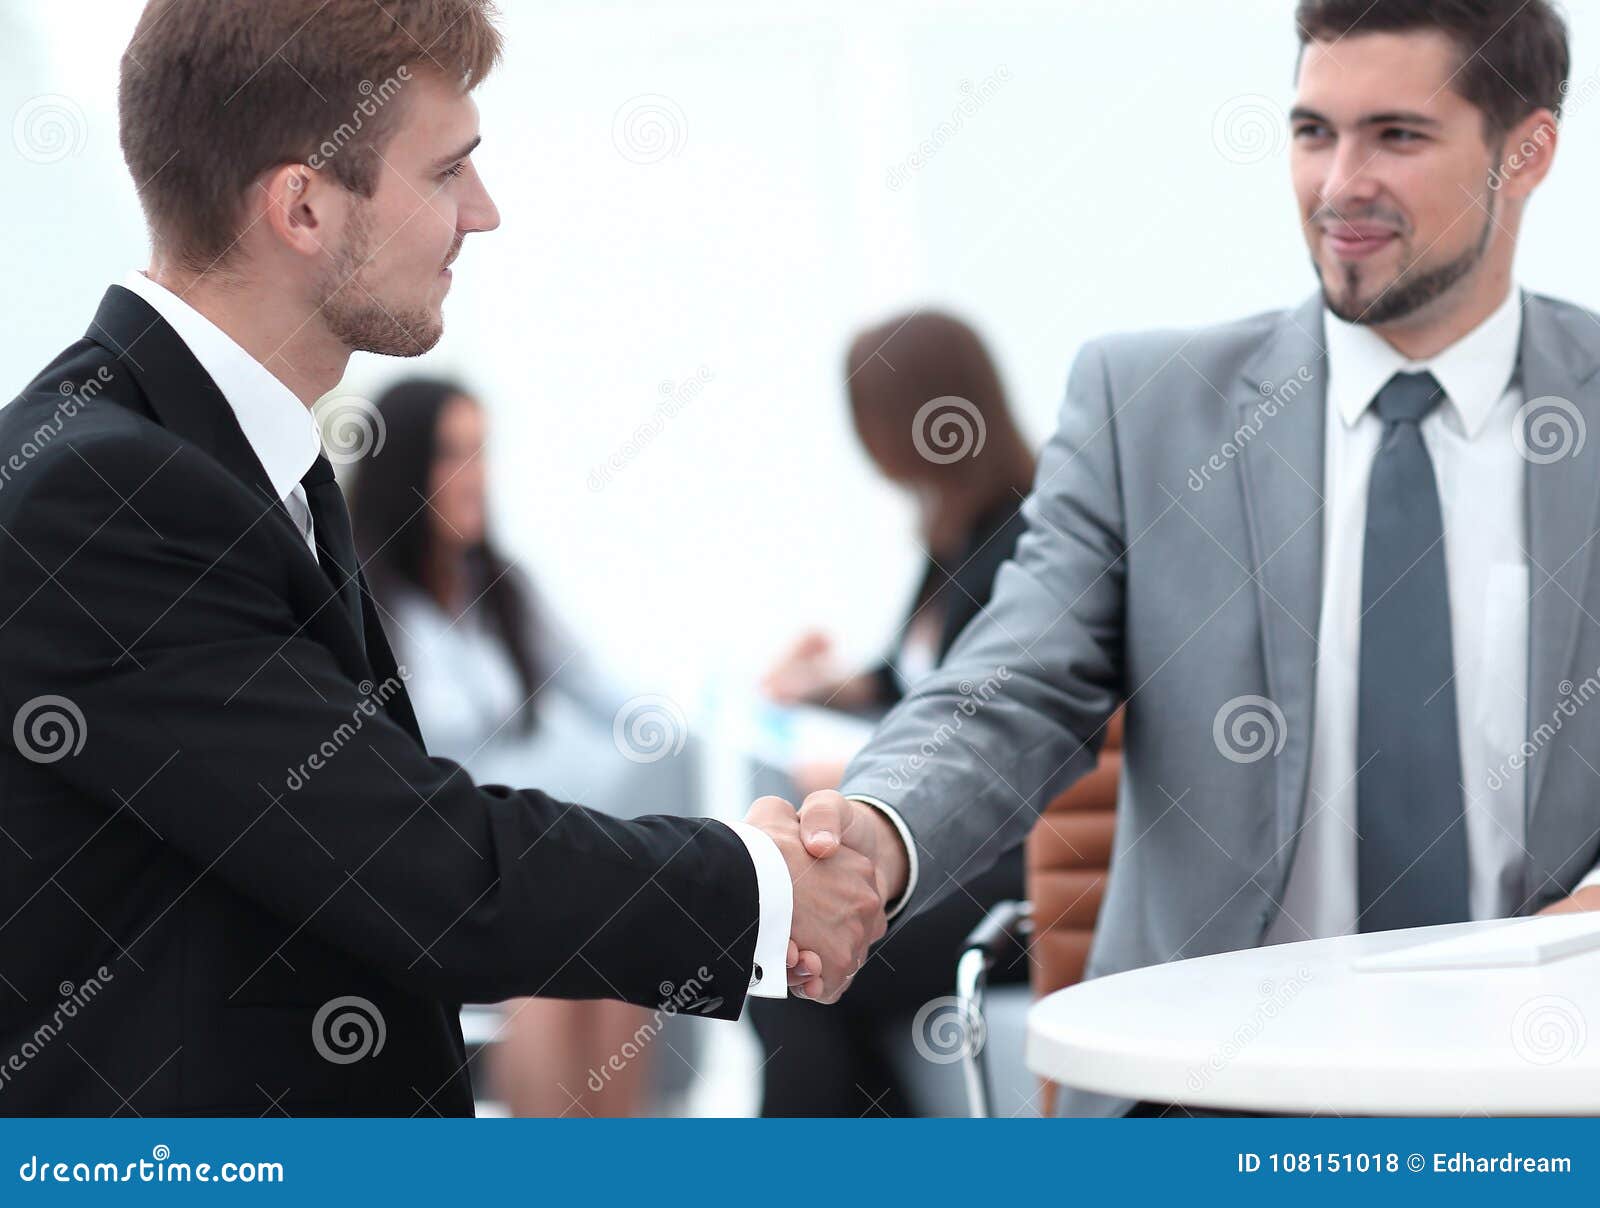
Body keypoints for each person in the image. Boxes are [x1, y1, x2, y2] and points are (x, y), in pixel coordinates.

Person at [0, 0, 879, 1117]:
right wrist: (761, 883)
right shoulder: (101, 494)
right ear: (304, 206)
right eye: (448, 171)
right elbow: (418, 868)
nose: (485, 213)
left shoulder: (230, 456)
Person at [785, 0, 1600, 1115]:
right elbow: (1010, 680)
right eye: (1313, 132)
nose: (1337, 185)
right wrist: (878, 826)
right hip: (1214, 1092)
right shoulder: (1151, 410)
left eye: (1395, 137)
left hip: (1550, 1082)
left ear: (1528, 149)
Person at [349, 376, 692, 1116]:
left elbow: (612, 695)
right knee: (550, 953)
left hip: (520, 855)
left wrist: (698, 722)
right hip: (433, 872)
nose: (474, 478)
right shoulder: (361, 604)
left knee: (621, 940)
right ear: (404, 467)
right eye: (451, 456)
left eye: (481, 453)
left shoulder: (503, 591)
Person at [753, 312, 1036, 1115]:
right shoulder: (956, 531)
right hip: (951, 843)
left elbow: (1002, 720)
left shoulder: (1025, 539)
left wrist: (856, 772)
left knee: (797, 965)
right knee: (797, 969)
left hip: (1012, 865)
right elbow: (915, 679)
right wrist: (827, 688)